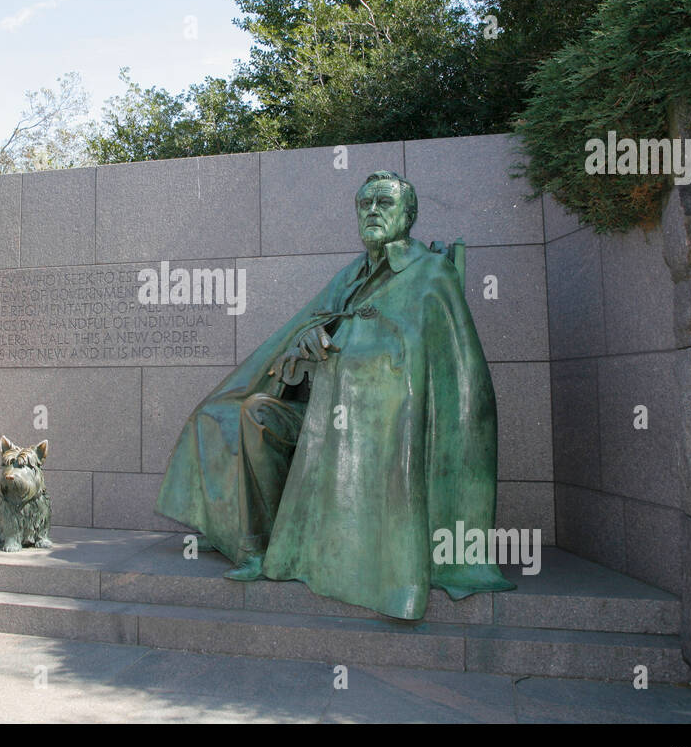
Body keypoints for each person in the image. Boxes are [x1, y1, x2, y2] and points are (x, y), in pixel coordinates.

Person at [155, 170, 513, 620]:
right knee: (247, 412)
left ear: (409, 214)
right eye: (366, 205)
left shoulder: (431, 274)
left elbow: (432, 365)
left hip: (380, 429)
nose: (374, 211)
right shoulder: (351, 275)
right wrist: (310, 341)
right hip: (323, 414)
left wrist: (347, 353)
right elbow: (309, 327)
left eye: (384, 203)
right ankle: (257, 546)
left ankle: (319, 551)